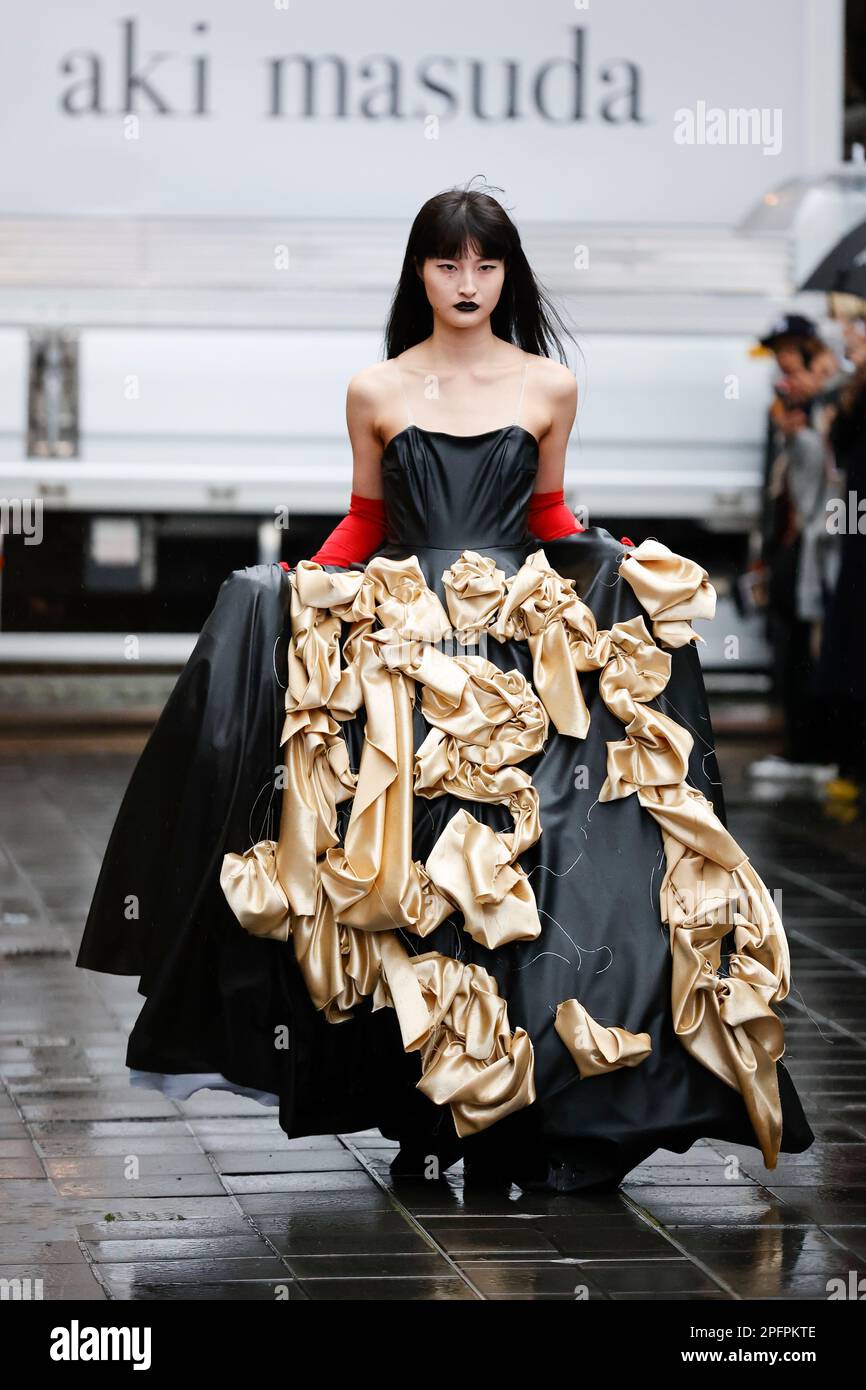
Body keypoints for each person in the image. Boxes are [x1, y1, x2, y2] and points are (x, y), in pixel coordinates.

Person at [76, 183, 814, 1193]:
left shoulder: (548, 385)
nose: (466, 282)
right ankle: (425, 1116)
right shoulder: (376, 389)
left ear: (506, 274)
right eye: (446, 262)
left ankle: (510, 1118)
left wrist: (623, 559)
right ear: (418, 272)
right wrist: (287, 587)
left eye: (484, 263)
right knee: (407, 882)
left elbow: (550, 520)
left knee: (526, 879)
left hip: (515, 657)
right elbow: (363, 524)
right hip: (405, 660)